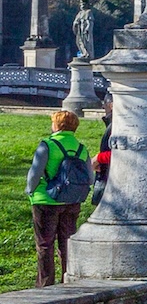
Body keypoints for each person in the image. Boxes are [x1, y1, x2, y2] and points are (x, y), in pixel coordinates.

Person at [25, 110, 95, 286]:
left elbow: (35, 173)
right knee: (67, 243)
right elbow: (90, 177)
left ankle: (45, 284)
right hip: (72, 200)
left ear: (57, 125)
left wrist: (30, 191)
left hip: (46, 200)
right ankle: (68, 279)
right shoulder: (81, 148)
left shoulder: (47, 145)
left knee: (45, 244)